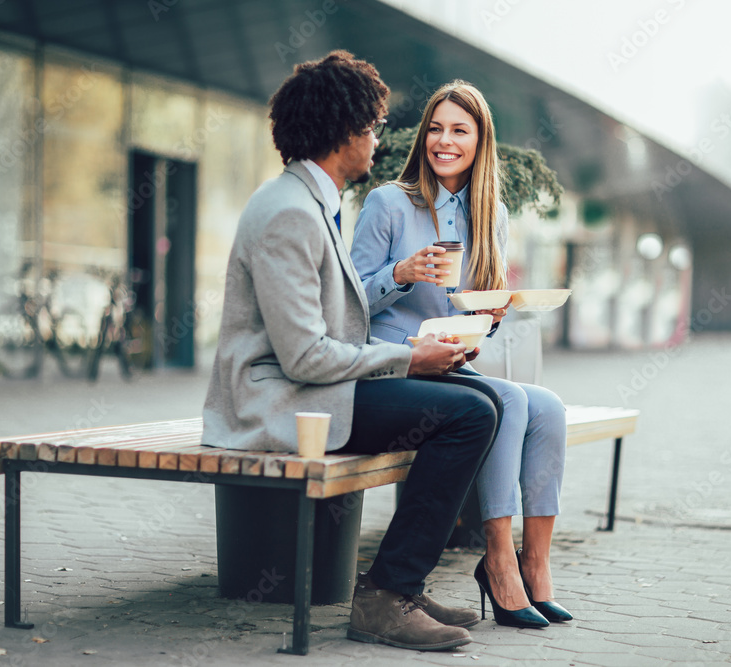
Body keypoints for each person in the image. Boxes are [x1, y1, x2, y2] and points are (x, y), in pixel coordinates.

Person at [201, 52, 504, 652]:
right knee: (470, 416)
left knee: (477, 397)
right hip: (279, 400)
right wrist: (407, 361)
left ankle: (399, 586)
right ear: (344, 134)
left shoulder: (313, 202)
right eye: (372, 127)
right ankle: (387, 594)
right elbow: (304, 358)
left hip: (314, 389)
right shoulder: (289, 212)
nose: (377, 140)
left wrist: (427, 352)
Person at [350, 81, 572, 628]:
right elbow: (346, 302)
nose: (444, 141)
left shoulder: (487, 212)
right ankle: (497, 562)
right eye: (436, 128)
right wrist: (399, 275)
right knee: (510, 404)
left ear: (480, 141)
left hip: (449, 362)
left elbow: (470, 312)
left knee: (548, 408)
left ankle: (535, 566)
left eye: (459, 130)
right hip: (392, 360)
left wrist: (488, 316)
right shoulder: (389, 204)